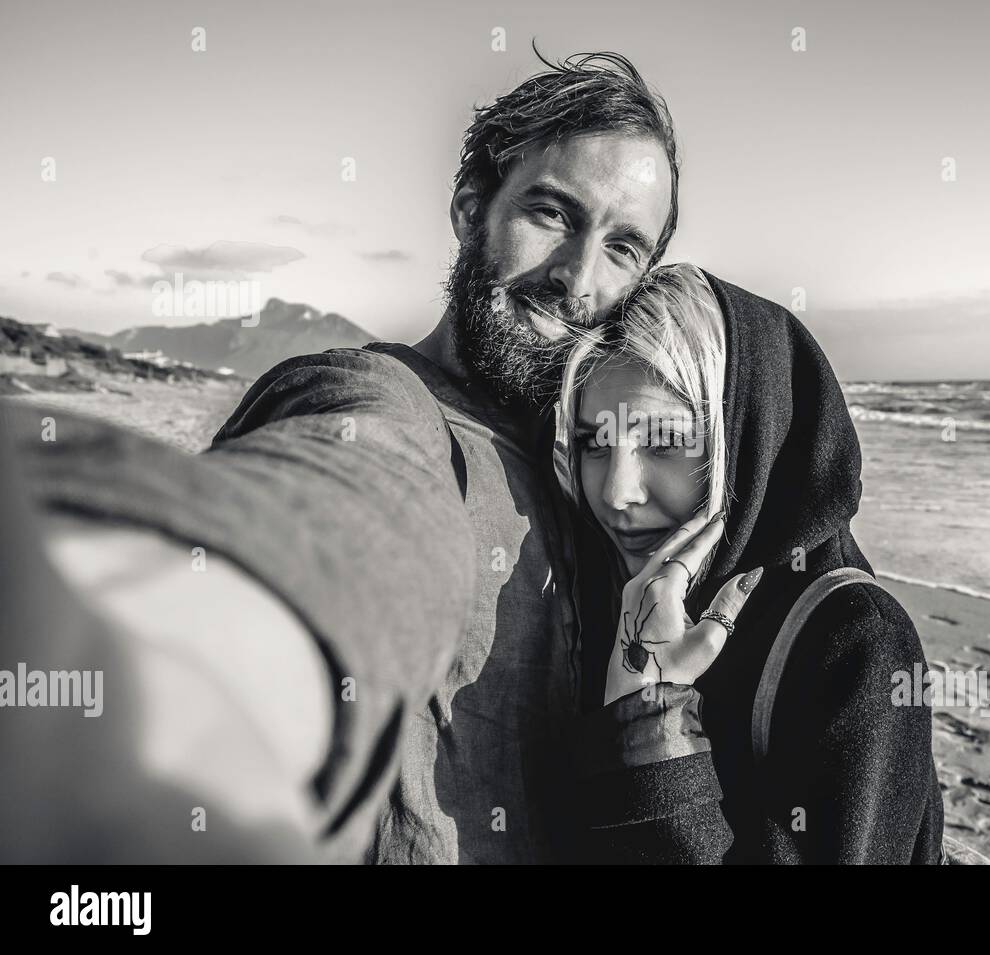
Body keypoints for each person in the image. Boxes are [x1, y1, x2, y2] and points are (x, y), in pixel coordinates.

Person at [1, 49, 679, 864]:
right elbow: (347, 508)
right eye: (552, 213)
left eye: (623, 247)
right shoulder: (379, 402)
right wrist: (151, 679)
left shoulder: (596, 475)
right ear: (471, 208)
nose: (578, 278)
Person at [553, 264, 946, 863]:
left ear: (753, 442)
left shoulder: (855, 642)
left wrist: (651, 724)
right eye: (594, 443)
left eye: (665, 442)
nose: (616, 492)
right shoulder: (598, 593)